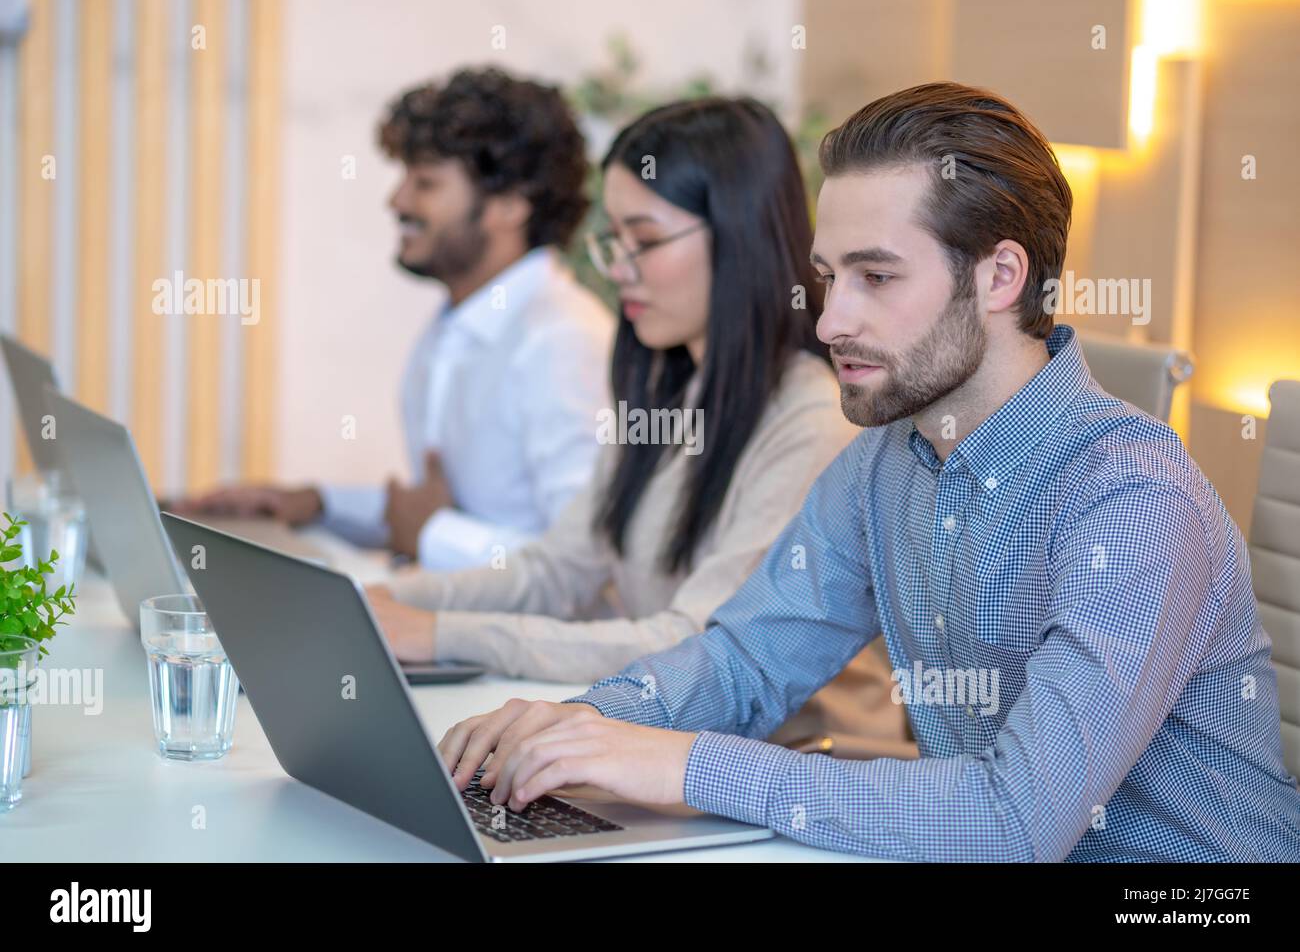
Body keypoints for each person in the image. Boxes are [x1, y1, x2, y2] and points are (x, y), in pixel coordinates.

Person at [433, 82, 1300, 862]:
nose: (830, 320)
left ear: (1000, 275)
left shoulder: (1134, 498)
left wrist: (687, 765)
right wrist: (579, 723)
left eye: (876, 277)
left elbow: (1017, 817)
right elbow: (745, 662)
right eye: (827, 277)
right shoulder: (887, 460)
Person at [368, 97, 913, 761]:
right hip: (667, 752)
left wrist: (437, 633)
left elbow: (696, 645)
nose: (618, 269)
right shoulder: (665, 391)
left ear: (737, 236)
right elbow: (557, 570)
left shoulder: (812, 420)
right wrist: (380, 601)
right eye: (615, 242)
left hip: (795, 776)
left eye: (646, 242)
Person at [174, 68, 613, 571]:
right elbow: (434, 513)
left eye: (425, 182)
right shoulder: (459, 323)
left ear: (510, 206)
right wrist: (315, 505)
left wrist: (436, 534)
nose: (397, 200)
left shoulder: (561, 340)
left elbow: (588, 570)